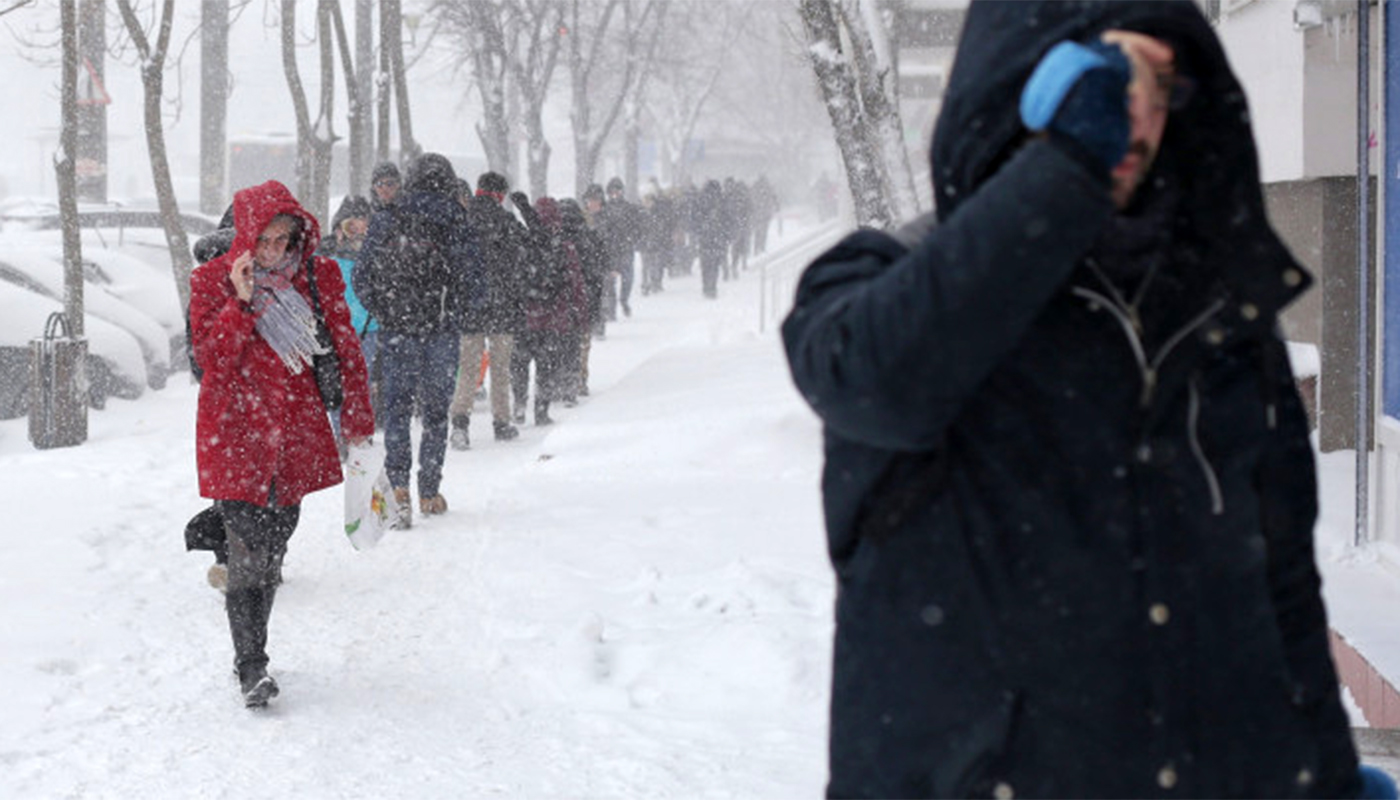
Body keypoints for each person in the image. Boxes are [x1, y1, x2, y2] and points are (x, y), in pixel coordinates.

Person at [781, 2, 1382, 797]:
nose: (1139, 119)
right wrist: (1066, 169)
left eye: (1162, 90)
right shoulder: (887, 280)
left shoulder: (1222, 323)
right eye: (1103, 89)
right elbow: (875, 385)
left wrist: (1325, 777)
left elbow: (1283, 597)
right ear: (1020, 99)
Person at [189, 180, 373, 708]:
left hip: (294, 431)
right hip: (237, 430)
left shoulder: (318, 276)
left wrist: (358, 418)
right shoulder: (212, 281)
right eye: (264, 239)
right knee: (246, 547)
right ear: (245, 234)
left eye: (284, 240)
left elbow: (345, 346)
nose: (273, 251)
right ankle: (253, 665)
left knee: (273, 545)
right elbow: (210, 360)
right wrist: (241, 303)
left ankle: (252, 649)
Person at [354, 153, 481, 528]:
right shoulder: (456, 217)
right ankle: (429, 491)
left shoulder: (389, 216)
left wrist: (388, 312)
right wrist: (452, 313)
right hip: (440, 331)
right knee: (436, 412)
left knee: (396, 411)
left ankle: (398, 491)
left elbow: (361, 277)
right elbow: (474, 280)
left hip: (398, 332)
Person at [449, 171, 526, 450]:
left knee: (468, 369)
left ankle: (459, 423)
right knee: (500, 369)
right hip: (502, 307)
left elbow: (455, 264)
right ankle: (501, 421)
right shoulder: (506, 222)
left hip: (471, 307)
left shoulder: (464, 221)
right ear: (501, 194)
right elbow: (527, 252)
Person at [319, 195, 378, 454]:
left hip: (368, 328)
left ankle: (359, 433)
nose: (355, 227)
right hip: (335, 328)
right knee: (335, 384)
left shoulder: (376, 250)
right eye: (349, 222)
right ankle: (340, 435)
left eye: (360, 221)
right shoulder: (326, 249)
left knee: (361, 384)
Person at [595, 176, 645, 319]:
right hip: (610, 248)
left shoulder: (630, 208)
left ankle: (623, 300)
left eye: (617, 190)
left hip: (626, 247)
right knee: (610, 280)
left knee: (627, 277)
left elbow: (637, 226)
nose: (615, 194)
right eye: (612, 191)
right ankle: (612, 308)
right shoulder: (605, 210)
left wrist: (634, 238)